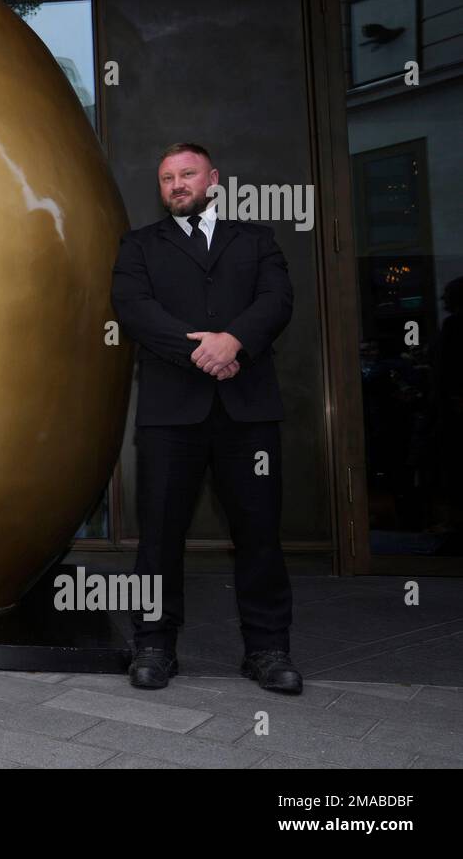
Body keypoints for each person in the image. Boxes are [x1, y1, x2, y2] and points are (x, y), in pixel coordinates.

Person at [110, 142, 301, 693]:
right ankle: (152, 645)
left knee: (259, 533)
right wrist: (204, 350)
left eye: (187, 174)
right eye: (167, 177)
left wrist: (234, 341)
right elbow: (133, 307)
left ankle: (268, 650)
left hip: (250, 412)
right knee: (159, 537)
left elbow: (278, 299)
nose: (177, 184)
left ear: (212, 179)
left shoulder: (257, 240)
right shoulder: (140, 245)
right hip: (171, 413)